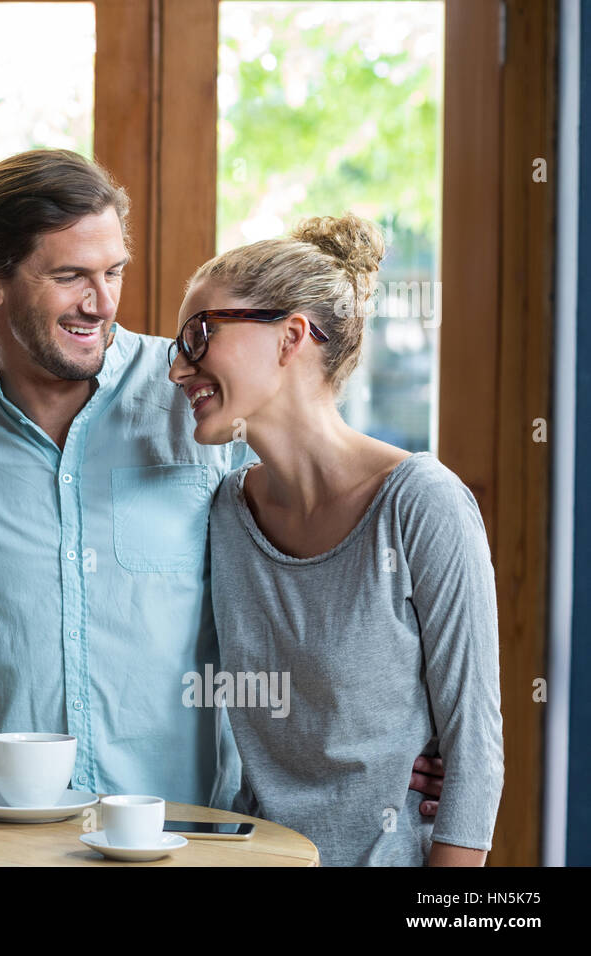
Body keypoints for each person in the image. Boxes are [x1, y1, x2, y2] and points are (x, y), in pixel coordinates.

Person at [0, 149, 447, 814]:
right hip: (8, 839)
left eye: (112, 272)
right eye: (70, 277)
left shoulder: (201, 402)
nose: (102, 302)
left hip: (193, 836)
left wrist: (394, 734)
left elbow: (313, 598)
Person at [168, 213, 504, 865]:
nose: (180, 369)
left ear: (292, 335)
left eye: (199, 336)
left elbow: (474, 754)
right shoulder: (225, 514)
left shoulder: (421, 504)